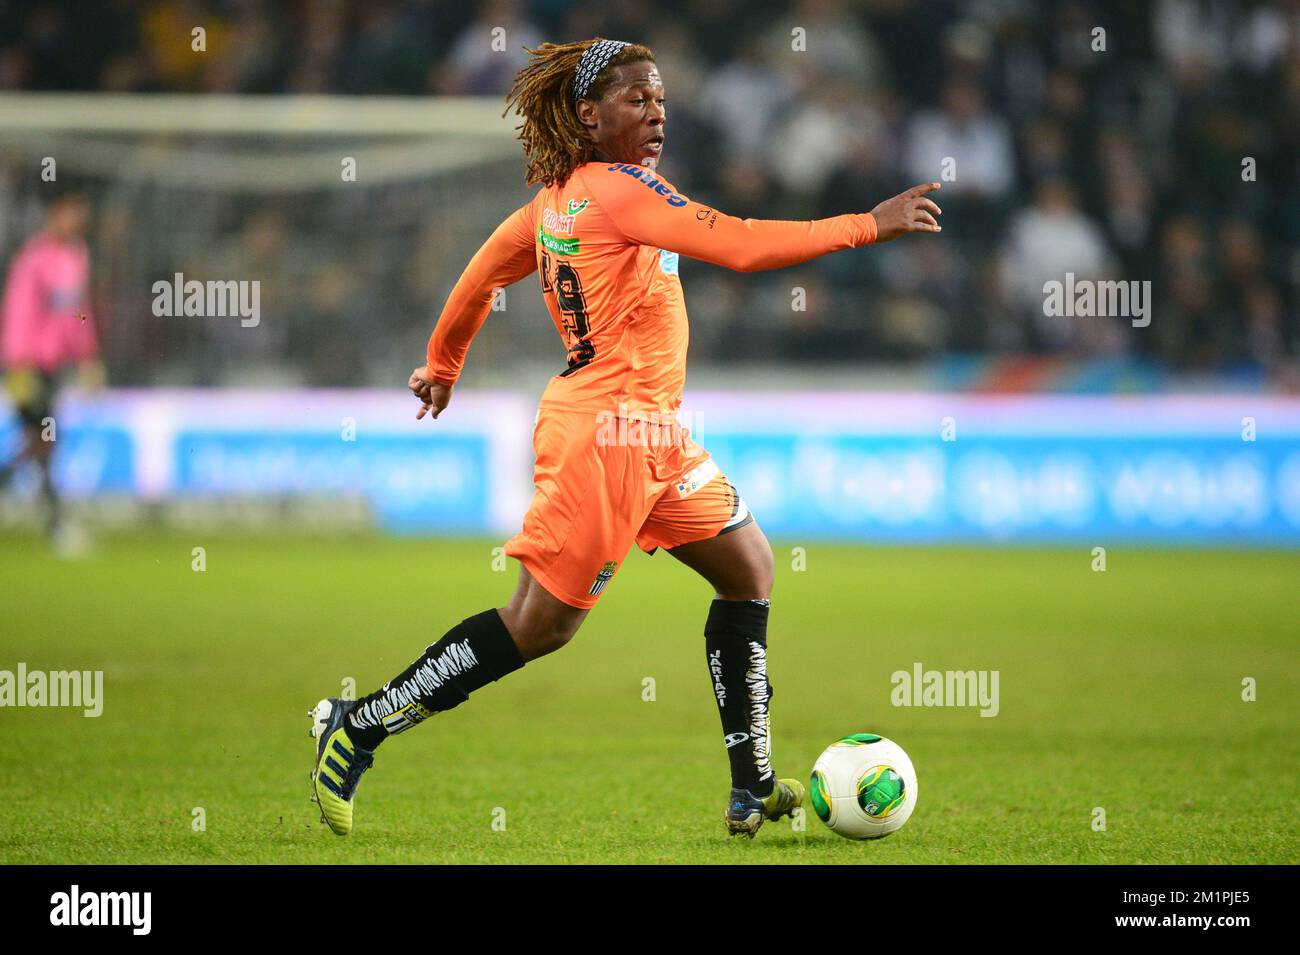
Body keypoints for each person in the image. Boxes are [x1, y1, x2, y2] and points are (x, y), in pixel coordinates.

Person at [310, 37, 941, 838]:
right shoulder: (616, 192)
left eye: (662, 101)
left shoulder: (557, 201)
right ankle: (359, 723)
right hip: (605, 435)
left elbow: (479, 275)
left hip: (655, 433)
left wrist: (443, 362)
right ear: (588, 114)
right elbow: (742, 244)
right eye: (637, 99)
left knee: (748, 569)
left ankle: (751, 786)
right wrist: (867, 224)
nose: (656, 114)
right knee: (541, 626)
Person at [0, 188, 101, 553]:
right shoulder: (34, 258)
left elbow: (78, 312)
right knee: (44, 441)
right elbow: (17, 311)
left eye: (79, 214)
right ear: (54, 214)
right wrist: (16, 363)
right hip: (28, 363)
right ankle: (56, 524)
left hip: (54, 363)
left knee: (39, 442)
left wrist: (87, 356)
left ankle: (51, 520)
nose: (75, 221)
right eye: (69, 212)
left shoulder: (77, 256)